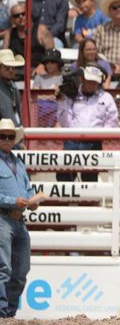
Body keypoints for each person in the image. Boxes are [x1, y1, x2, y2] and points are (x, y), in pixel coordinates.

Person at [56, 65, 119, 181]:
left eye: (94, 82)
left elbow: (112, 119)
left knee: (90, 179)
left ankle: (90, 199)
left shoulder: (106, 97)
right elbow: (65, 122)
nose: (91, 84)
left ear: (99, 83)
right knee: (64, 176)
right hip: (72, 140)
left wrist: (102, 135)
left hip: (93, 142)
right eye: (89, 81)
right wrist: (62, 101)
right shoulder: (71, 95)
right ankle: (65, 199)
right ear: (83, 79)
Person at [0, 119, 35, 318]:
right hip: (3, 219)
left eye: (10, 136)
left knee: (21, 269)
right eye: (2, 136)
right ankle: (2, 313)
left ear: (14, 139)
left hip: (18, 220)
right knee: (4, 268)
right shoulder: (15, 162)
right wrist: (13, 201)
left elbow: (28, 188)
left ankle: (8, 313)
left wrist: (31, 200)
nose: (6, 139)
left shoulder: (18, 162)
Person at [6, 5, 52, 75]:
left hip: (38, 72)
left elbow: (51, 53)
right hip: (16, 73)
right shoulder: (9, 33)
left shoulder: (41, 30)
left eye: (23, 14)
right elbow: (4, 56)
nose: (21, 17)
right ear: (12, 19)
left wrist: (42, 65)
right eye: (16, 16)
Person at [0, 50, 21, 126]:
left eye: (13, 67)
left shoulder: (14, 87)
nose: (11, 70)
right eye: (7, 67)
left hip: (12, 132)